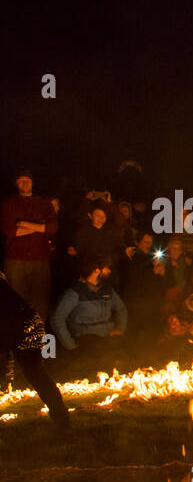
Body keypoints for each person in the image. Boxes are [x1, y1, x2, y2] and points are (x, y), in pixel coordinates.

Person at [0, 273, 68, 427]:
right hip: (23, 323)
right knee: (35, 373)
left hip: (24, 326)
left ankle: (62, 419)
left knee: (35, 373)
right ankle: (62, 419)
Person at [2, 169, 59, 319]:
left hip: (39, 259)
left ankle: (39, 335)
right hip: (15, 260)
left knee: (40, 299)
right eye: (21, 180)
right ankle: (19, 336)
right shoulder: (9, 204)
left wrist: (24, 224)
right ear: (16, 184)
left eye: (28, 179)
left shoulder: (44, 204)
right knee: (16, 299)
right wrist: (40, 227)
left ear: (33, 183)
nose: (25, 182)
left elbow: (52, 227)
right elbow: (10, 231)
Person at [50, 259, 128, 361]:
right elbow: (57, 318)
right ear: (96, 271)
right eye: (106, 268)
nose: (109, 271)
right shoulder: (75, 293)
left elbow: (121, 309)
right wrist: (70, 344)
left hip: (108, 337)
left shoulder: (107, 290)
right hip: (86, 341)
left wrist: (119, 329)